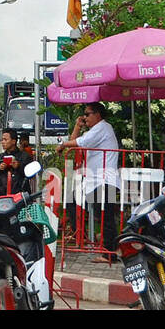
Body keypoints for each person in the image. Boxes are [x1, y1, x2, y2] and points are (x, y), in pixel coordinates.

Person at [58, 102, 121, 263]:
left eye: (87, 114)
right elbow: (76, 143)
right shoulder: (94, 131)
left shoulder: (103, 127)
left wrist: (63, 144)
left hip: (105, 179)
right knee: (72, 200)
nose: (85, 117)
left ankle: (109, 254)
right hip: (94, 181)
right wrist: (77, 126)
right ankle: (83, 236)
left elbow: (80, 143)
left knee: (106, 217)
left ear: (97, 115)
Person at [0, 127, 38, 200]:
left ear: (13, 141)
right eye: (2, 139)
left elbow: (31, 175)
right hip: (1, 198)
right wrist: (0, 168)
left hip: (20, 197)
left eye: (5, 140)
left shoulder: (25, 156)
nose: (3, 142)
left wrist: (18, 166)